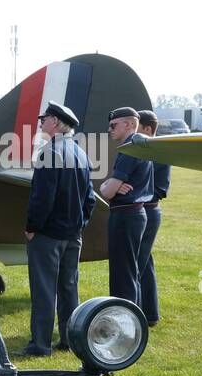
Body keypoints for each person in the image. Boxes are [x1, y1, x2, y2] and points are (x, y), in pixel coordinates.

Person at [21, 101, 96, 357]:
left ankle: (40, 345)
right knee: (68, 288)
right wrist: (79, 225)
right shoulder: (81, 153)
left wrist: (32, 226)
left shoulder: (49, 153)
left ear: (55, 122)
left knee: (43, 290)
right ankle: (68, 338)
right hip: (73, 235)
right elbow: (90, 199)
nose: (41, 122)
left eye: (44, 118)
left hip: (49, 235)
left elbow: (42, 198)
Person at [100, 107, 154, 306]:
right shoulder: (138, 145)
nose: (110, 129)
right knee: (129, 272)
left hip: (125, 215)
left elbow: (106, 192)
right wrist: (110, 184)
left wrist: (109, 185)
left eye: (114, 125)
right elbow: (109, 186)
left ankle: (125, 321)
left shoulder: (129, 148)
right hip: (134, 213)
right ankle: (131, 317)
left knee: (123, 274)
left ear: (130, 124)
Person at [136, 109, 169, 326]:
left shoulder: (159, 152)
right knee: (145, 264)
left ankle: (134, 313)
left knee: (136, 265)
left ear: (147, 128)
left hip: (147, 211)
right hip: (144, 211)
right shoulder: (145, 149)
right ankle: (150, 314)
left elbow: (161, 188)